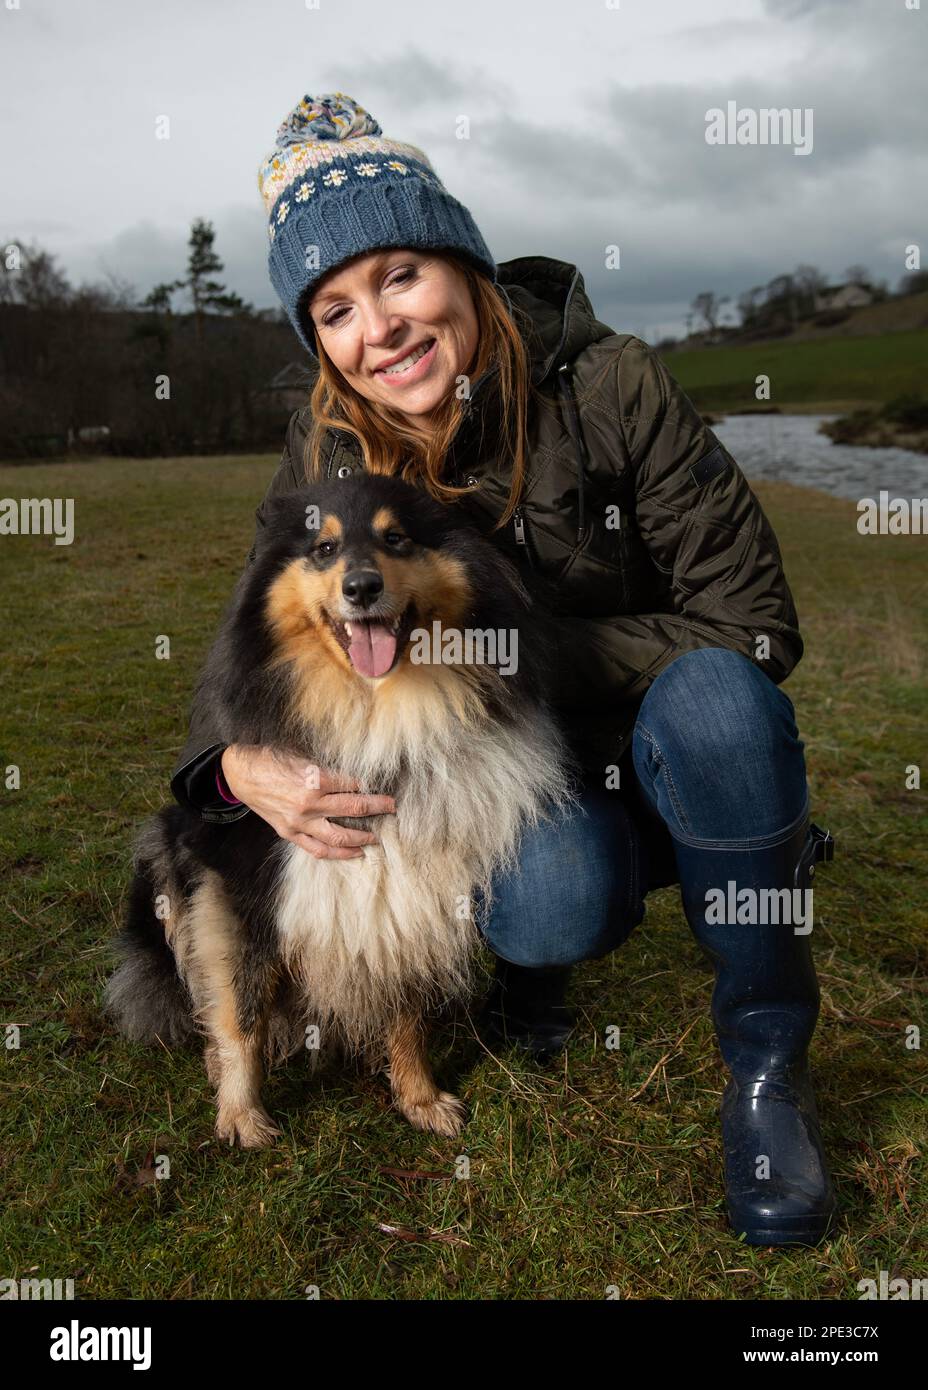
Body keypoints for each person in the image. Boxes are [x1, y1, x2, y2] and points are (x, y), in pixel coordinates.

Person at [171, 92, 836, 1246]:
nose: (378, 328)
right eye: (334, 309)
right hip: (502, 777)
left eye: (400, 276)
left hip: (644, 728)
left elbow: (756, 623)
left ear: (464, 266)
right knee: (552, 909)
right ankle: (550, 955)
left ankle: (768, 1069)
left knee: (725, 706)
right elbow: (258, 627)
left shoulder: (612, 382)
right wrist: (225, 765)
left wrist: (507, 654)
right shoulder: (330, 435)